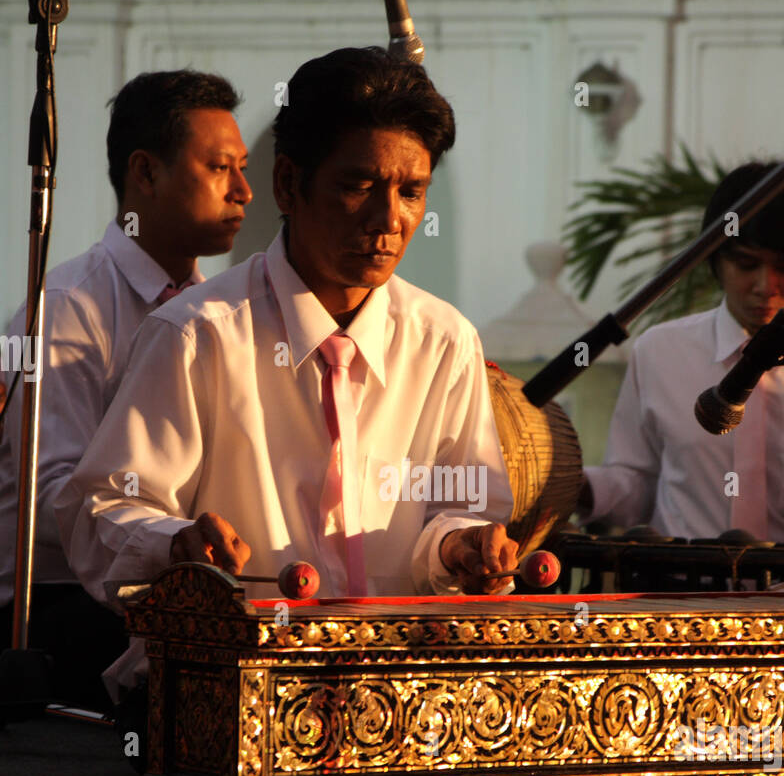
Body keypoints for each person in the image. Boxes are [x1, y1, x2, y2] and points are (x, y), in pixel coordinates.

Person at [56, 47, 518, 682]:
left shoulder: (443, 341)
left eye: (411, 192)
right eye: (359, 186)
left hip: (398, 692)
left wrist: (461, 547)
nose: (390, 220)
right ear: (289, 184)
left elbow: (457, 508)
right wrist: (174, 545)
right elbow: (101, 507)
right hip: (224, 689)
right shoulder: (198, 335)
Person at [0, 69, 253, 709]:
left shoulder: (218, 314)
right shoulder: (65, 308)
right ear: (145, 174)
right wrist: (170, 539)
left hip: (165, 583)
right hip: (48, 606)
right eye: (221, 168)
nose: (245, 192)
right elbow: (55, 501)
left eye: (242, 169)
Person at [579, 163, 784, 542]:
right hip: (681, 591)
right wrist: (574, 489)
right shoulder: (660, 351)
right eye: (746, 264)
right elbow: (636, 485)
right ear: (715, 258)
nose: (766, 285)